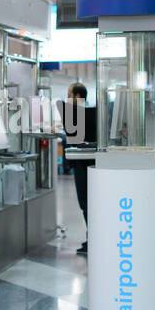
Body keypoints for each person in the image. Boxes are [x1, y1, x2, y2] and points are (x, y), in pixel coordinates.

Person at [58, 83, 97, 255]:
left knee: (86, 203)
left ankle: (93, 241)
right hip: (87, 163)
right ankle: (93, 239)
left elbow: (74, 137)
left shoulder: (79, 114)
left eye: (69, 94)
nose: (67, 98)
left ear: (78, 96)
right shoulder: (90, 113)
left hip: (83, 164)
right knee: (88, 204)